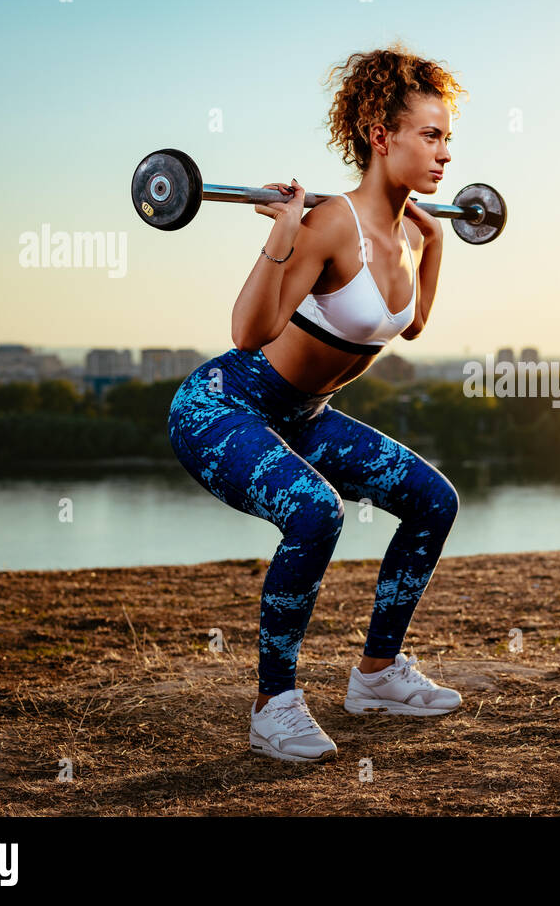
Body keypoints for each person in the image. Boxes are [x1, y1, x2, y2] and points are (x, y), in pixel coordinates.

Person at [166, 43, 466, 763]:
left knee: (434, 500)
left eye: (448, 138)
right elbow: (248, 334)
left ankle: (379, 675)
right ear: (380, 136)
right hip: (225, 406)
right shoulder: (332, 225)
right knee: (315, 512)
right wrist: (281, 231)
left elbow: (412, 325)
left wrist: (435, 249)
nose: (445, 154)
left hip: (305, 416)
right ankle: (275, 706)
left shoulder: (400, 233)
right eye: (431, 135)